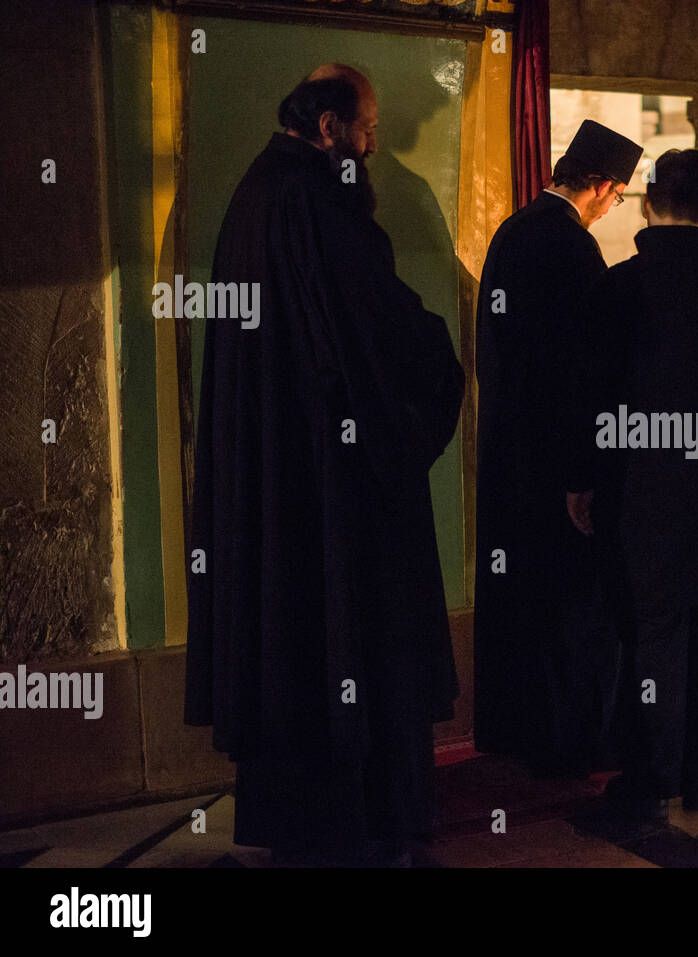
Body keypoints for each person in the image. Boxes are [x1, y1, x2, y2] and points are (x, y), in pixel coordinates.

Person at [184, 66, 465, 867]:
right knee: (353, 630)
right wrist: (438, 353)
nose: (375, 144)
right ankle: (372, 820)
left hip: (284, 471)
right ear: (333, 126)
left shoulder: (257, 191)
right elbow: (372, 325)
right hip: (334, 477)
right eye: (370, 128)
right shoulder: (316, 197)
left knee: (292, 633)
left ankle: (303, 820)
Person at [566, 148, 698, 822]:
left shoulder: (619, 289)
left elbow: (590, 398)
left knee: (653, 635)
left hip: (644, 501)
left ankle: (653, 772)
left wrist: (581, 481)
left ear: (646, 203)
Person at [473, 120, 643, 777]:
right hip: (555, 464)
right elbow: (581, 371)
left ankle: (519, 731)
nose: (613, 207)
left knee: (521, 599)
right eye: (618, 196)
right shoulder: (571, 248)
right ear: (602, 186)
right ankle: (571, 739)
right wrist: (583, 472)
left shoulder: (514, 231)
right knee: (571, 606)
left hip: (511, 454)